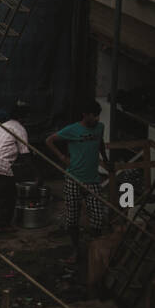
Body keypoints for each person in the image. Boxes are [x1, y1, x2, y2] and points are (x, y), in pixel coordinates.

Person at [48, 99, 108, 258]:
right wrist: (62, 157)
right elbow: (50, 140)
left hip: (93, 180)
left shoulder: (100, 128)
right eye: (93, 116)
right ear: (85, 115)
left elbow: (100, 143)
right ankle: (75, 249)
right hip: (73, 179)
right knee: (72, 219)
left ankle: (95, 251)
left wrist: (106, 161)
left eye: (98, 116)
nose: (96, 119)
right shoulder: (72, 130)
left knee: (98, 218)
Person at [0, 104, 31, 233]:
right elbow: (25, 154)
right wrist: (36, 173)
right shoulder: (20, 129)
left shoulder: (2, 125)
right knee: (8, 195)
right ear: (22, 117)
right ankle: (1, 224)